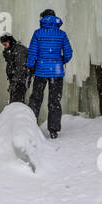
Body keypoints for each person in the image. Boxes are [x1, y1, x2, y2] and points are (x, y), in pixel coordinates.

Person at [25, 9, 73, 139]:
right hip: (57, 72)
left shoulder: (38, 33)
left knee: (36, 99)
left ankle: (31, 125)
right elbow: (68, 53)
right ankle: (53, 130)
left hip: (41, 71)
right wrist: (60, 61)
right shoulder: (61, 34)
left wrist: (30, 66)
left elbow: (32, 53)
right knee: (54, 101)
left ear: (42, 18)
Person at [0, 34, 30, 108]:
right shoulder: (13, 50)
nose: (4, 46)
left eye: (5, 44)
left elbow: (21, 68)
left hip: (20, 81)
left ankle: (18, 117)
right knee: (15, 103)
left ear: (9, 41)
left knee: (17, 104)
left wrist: (15, 81)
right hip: (16, 81)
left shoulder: (18, 51)